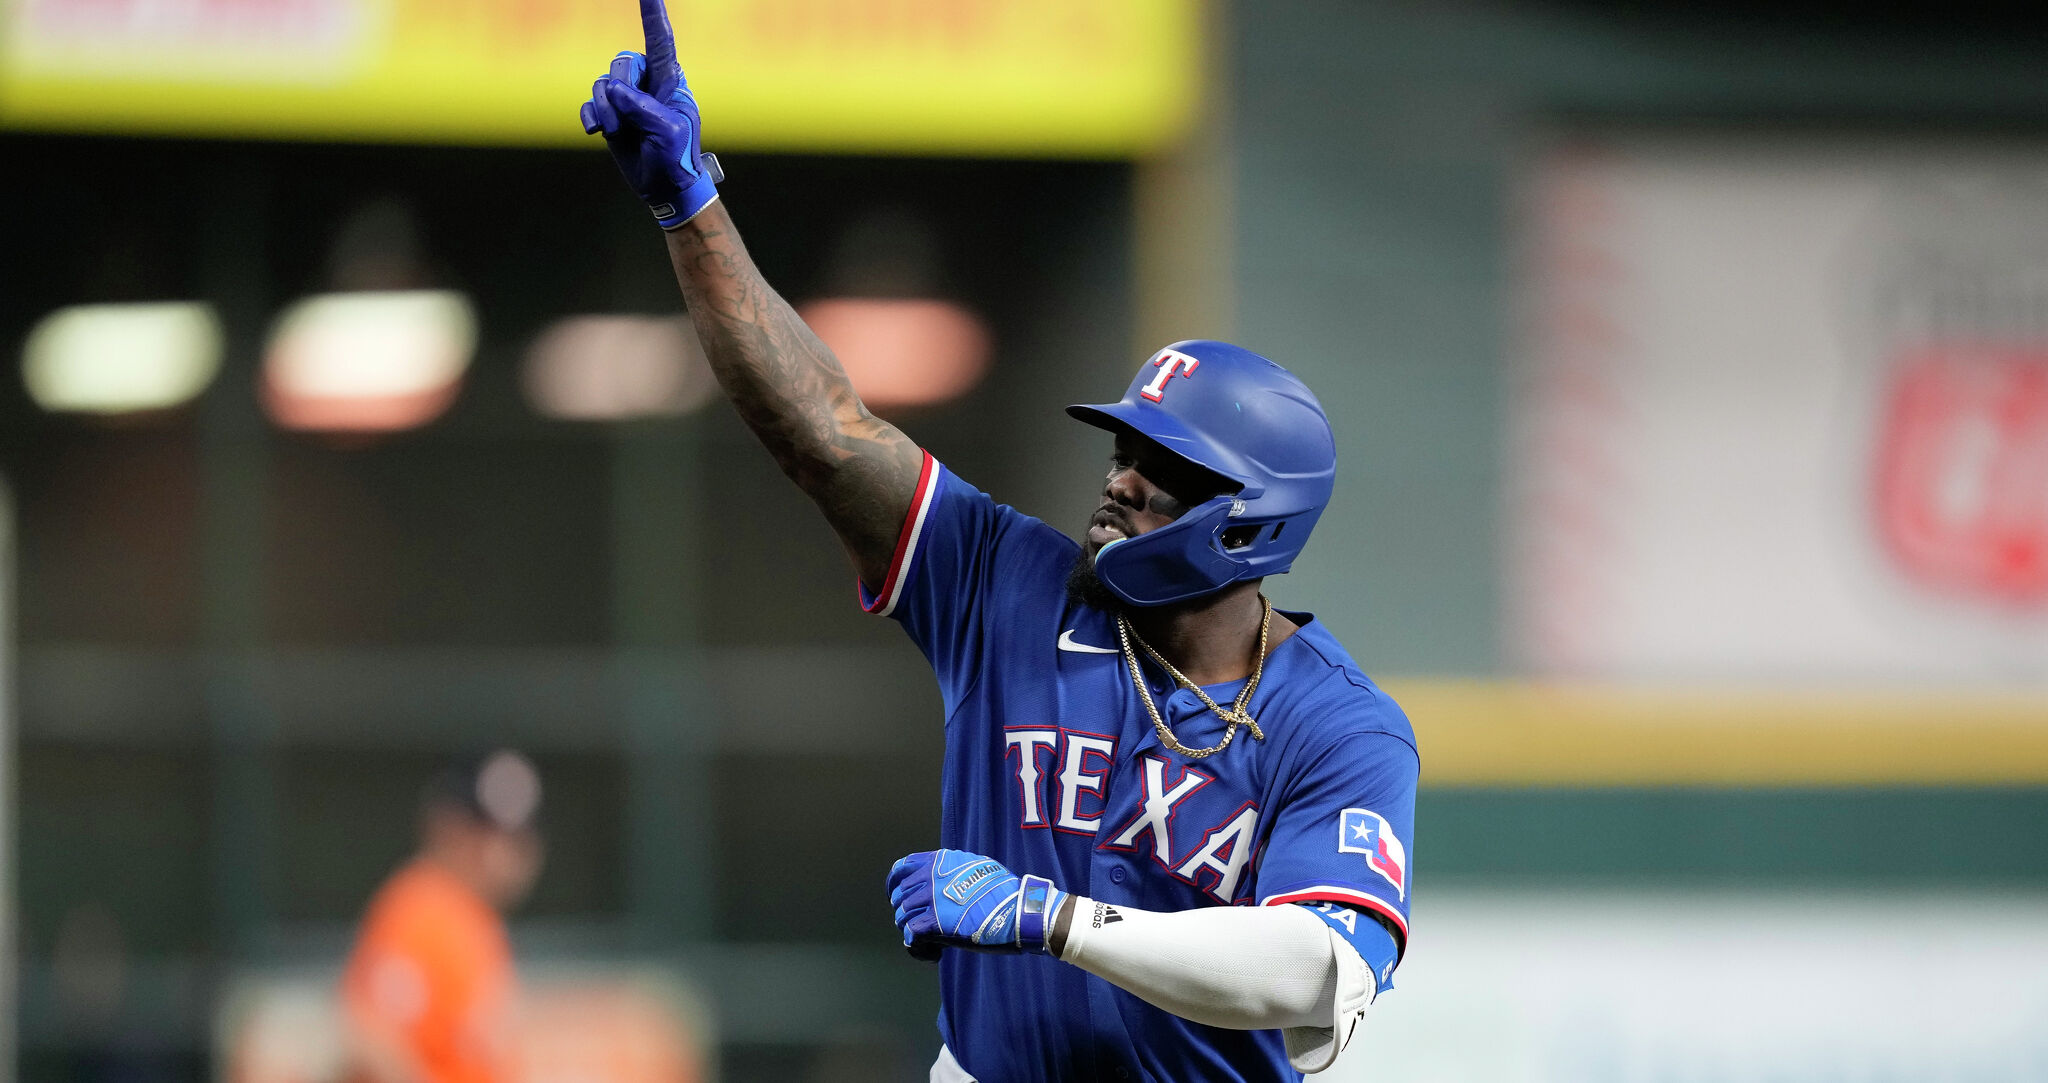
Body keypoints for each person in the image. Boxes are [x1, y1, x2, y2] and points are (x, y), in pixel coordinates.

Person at [581, 6, 1418, 1079]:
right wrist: (687, 206)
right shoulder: (1010, 584)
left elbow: (1308, 970)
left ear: (1250, 519)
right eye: (1121, 449)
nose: (1119, 478)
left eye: (1162, 468)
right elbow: (824, 431)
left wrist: (1050, 918)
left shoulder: (1339, 727)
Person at [339, 751, 545, 1083]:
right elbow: (369, 1037)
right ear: (448, 827)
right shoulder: (420, 908)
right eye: (484, 835)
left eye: (515, 837)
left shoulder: (475, 918)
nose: (502, 854)